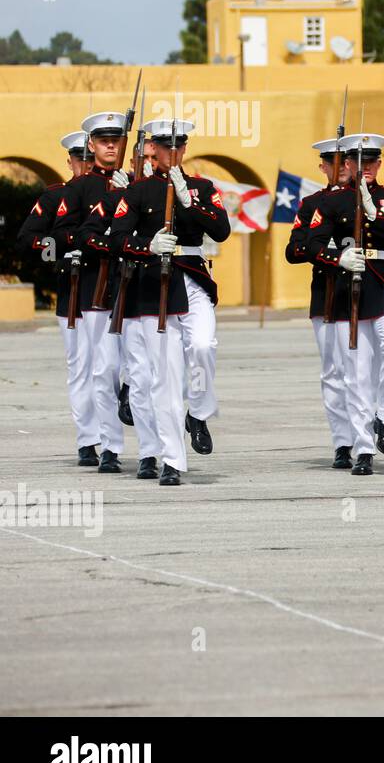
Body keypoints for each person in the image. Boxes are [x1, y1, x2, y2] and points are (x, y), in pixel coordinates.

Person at [108, 118, 231, 485]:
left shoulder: (202, 187)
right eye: (165, 147)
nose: (172, 153)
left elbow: (220, 230)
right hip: (154, 286)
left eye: (178, 147)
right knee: (164, 376)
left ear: (185, 150)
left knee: (204, 345)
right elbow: (115, 238)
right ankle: (172, 461)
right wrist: (146, 247)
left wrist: (186, 200)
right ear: (154, 149)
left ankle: (200, 410)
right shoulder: (139, 192)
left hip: (192, 279)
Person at [306, 133, 384, 476]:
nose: (366, 168)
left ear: (379, 165)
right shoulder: (333, 201)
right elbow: (310, 242)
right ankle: (363, 448)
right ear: (348, 165)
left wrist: (376, 213)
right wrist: (336, 257)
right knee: (356, 373)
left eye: (372, 162)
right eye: (359, 162)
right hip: (349, 287)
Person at [51, 111, 131, 473]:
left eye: (117, 139)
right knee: (98, 369)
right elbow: (64, 231)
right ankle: (101, 443)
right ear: (93, 145)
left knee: (135, 369)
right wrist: (100, 241)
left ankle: (151, 446)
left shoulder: (137, 183)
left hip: (135, 286)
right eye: (104, 140)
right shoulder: (78, 189)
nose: (111, 145)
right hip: (94, 288)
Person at [16, 131, 100, 465]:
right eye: (80, 160)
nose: (85, 166)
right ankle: (88, 440)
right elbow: (27, 240)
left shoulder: (118, 193)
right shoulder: (55, 198)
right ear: (70, 162)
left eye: (90, 160)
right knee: (81, 367)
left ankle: (110, 437)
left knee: (113, 368)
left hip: (112, 291)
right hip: (74, 290)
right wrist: (63, 242)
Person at [284, 137, 354, 469]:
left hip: (363, 293)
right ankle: (343, 440)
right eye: (333, 164)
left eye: (346, 163)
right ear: (323, 167)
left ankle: (367, 429)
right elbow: (294, 250)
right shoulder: (312, 203)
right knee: (333, 370)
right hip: (327, 292)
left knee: (364, 367)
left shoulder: (363, 200)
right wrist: (327, 253)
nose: (340, 170)